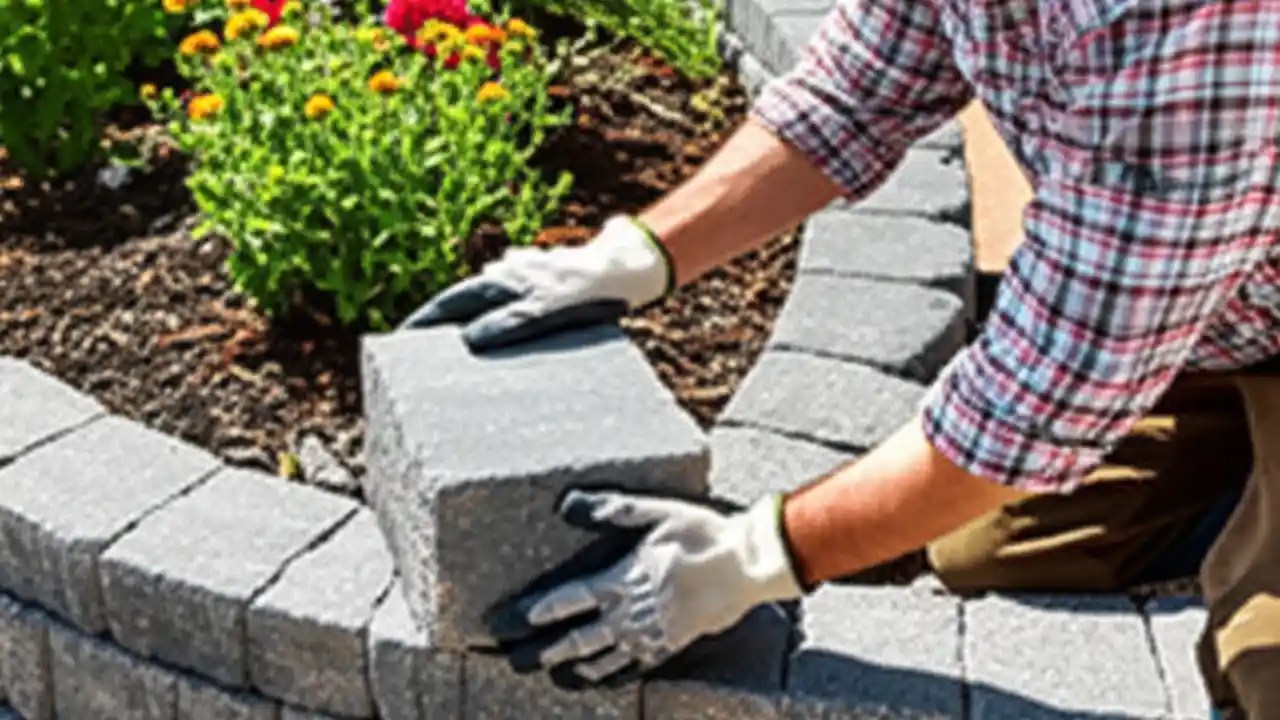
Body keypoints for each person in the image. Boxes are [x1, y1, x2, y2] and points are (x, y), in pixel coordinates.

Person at [403, 0, 1280, 716]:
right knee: (984, 550)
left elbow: (1028, 406)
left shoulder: (1191, 26)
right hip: (1206, 284)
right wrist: (636, 258)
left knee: (1261, 667)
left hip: (1220, 276)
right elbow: (856, 91)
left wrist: (746, 561)